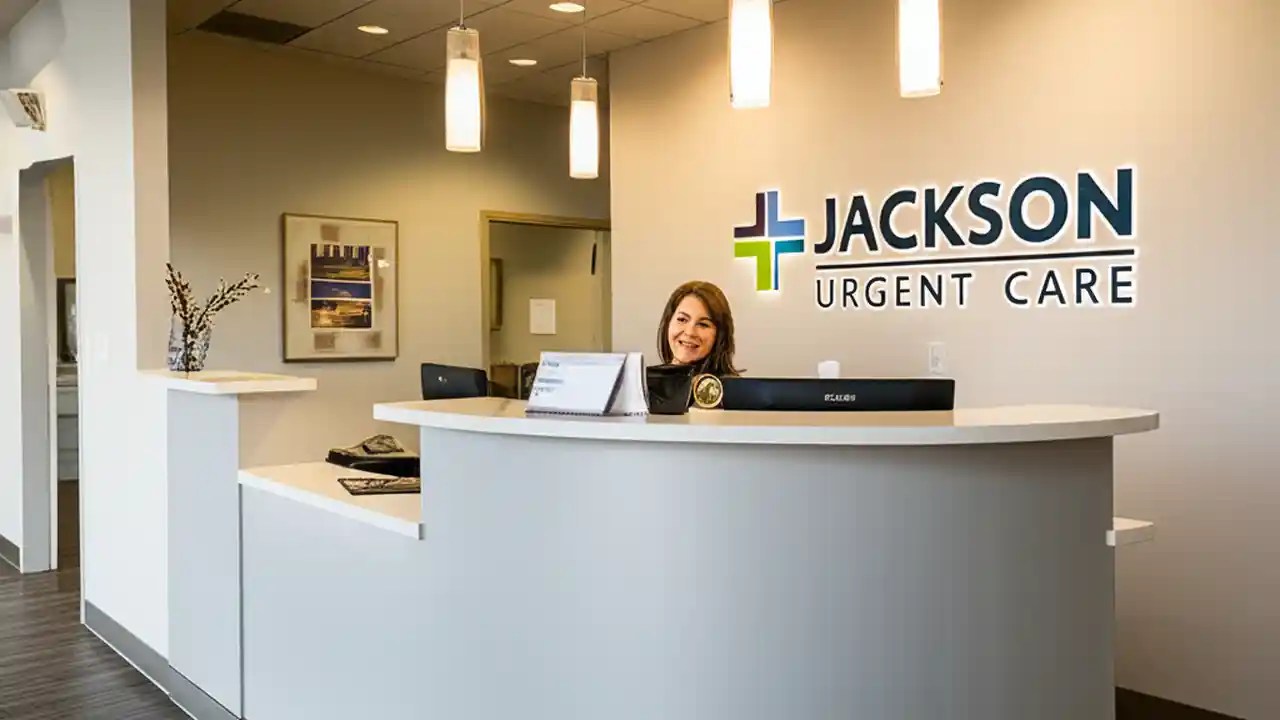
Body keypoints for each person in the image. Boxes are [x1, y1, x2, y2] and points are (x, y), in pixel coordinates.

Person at [656, 280, 742, 377]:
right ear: (668, 322)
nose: (690, 332)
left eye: (703, 324)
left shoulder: (734, 390)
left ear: (720, 335)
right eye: (682, 319)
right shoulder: (643, 384)